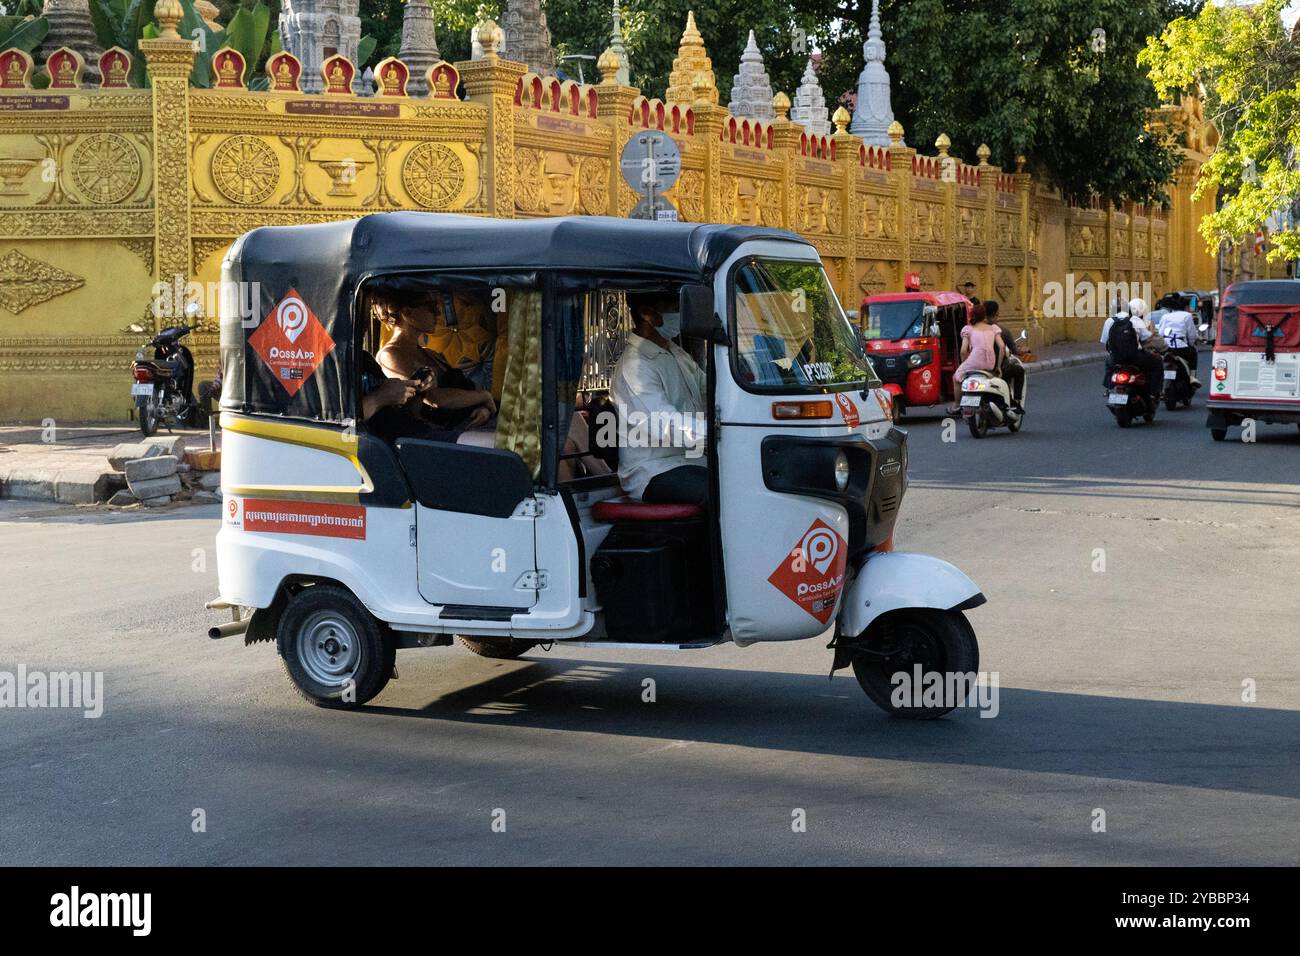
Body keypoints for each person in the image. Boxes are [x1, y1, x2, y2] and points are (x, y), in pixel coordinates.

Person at [609, 291, 708, 508]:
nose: (681, 315)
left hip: (694, 460)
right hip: (653, 470)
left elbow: (707, 388)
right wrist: (719, 432)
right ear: (647, 314)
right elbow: (664, 423)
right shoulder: (635, 365)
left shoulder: (675, 352)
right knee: (722, 492)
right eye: (675, 309)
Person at [371, 287, 498, 430]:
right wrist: (484, 396)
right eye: (431, 307)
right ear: (408, 313)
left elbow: (463, 395)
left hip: (467, 427)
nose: (438, 313)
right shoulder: (390, 356)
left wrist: (483, 408)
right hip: (436, 438)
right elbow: (435, 398)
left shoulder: (430, 354)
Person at [1100, 297, 1162, 400]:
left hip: (1116, 358)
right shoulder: (1135, 319)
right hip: (1135, 358)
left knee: (1108, 363)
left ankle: (1109, 387)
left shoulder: (1109, 321)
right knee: (1157, 363)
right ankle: (1153, 392)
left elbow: (1104, 340)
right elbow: (1146, 336)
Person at [947, 303, 1004, 414]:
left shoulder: (968, 329)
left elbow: (963, 351)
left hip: (974, 362)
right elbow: (1002, 347)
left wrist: (964, 365)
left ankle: (957, 405)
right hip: (990, 363)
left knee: (956, 377)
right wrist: (998, 366)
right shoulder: (993, 328)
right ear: (985, 316)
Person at [983, 300, 1025, 410]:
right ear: (996, 314)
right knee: (1020, 370)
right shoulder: (1002, 331)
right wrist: (1024, 349)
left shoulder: (975, 329)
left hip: (979, 367)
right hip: (997, 368)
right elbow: (1012, 349)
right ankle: (1017, 401)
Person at [1156, 294, 1201, 385]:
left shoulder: (1166, 316)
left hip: (1166, 347)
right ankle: (1191, 377)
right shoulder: (1187, 316)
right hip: (1181, 348)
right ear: (1186, 307)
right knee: (1193, 353)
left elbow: (1160, 333)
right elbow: (1191, 335)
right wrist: (1191, 344)